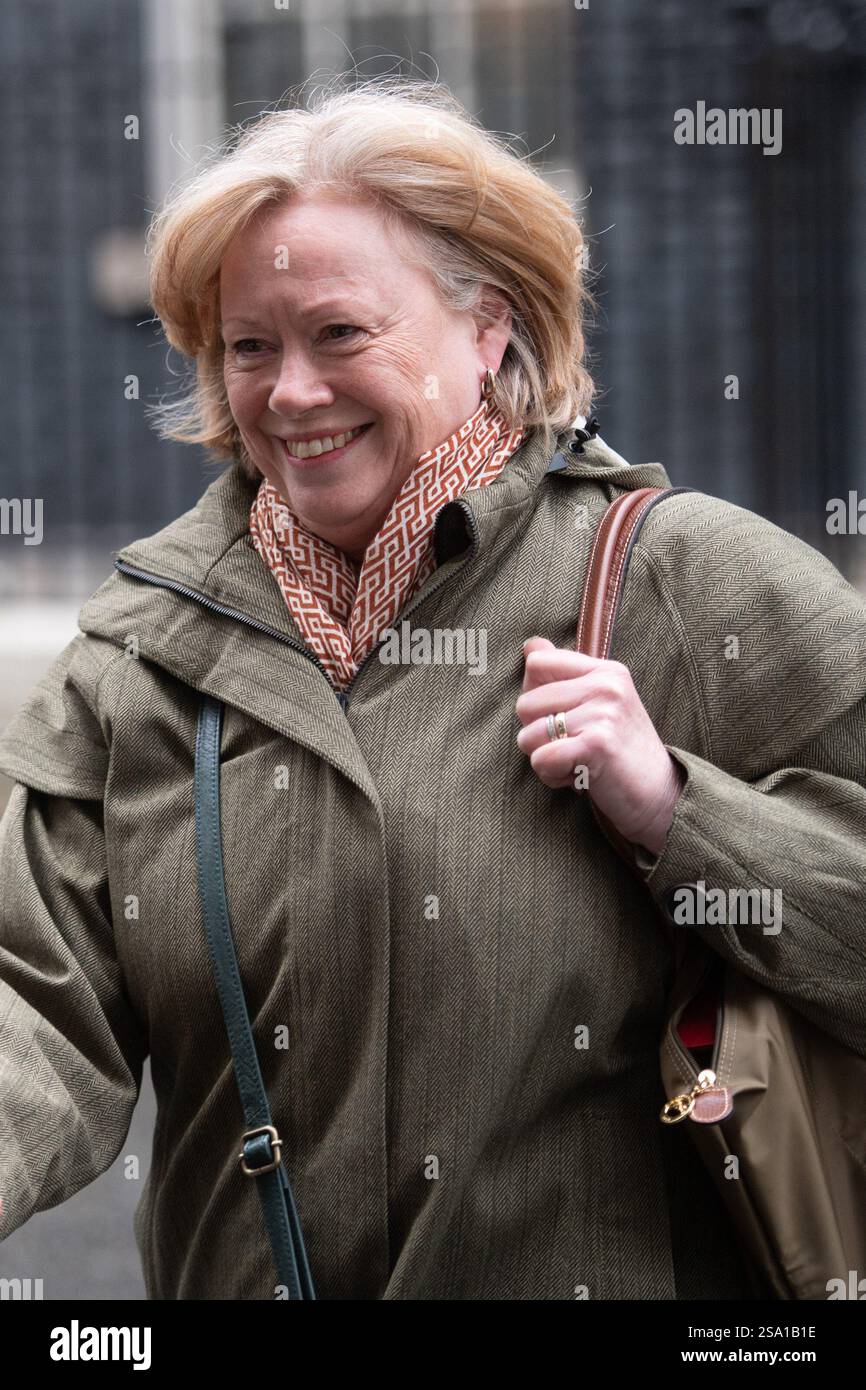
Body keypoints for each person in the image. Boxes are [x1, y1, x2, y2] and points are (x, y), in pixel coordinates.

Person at [1, 77, 865, 1301]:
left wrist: (684, 815)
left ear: (489, 329)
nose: (290, 392)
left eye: (339, 334)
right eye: (250, 346)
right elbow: (30, 1008)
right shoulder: (139, 652)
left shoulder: (686, 582)